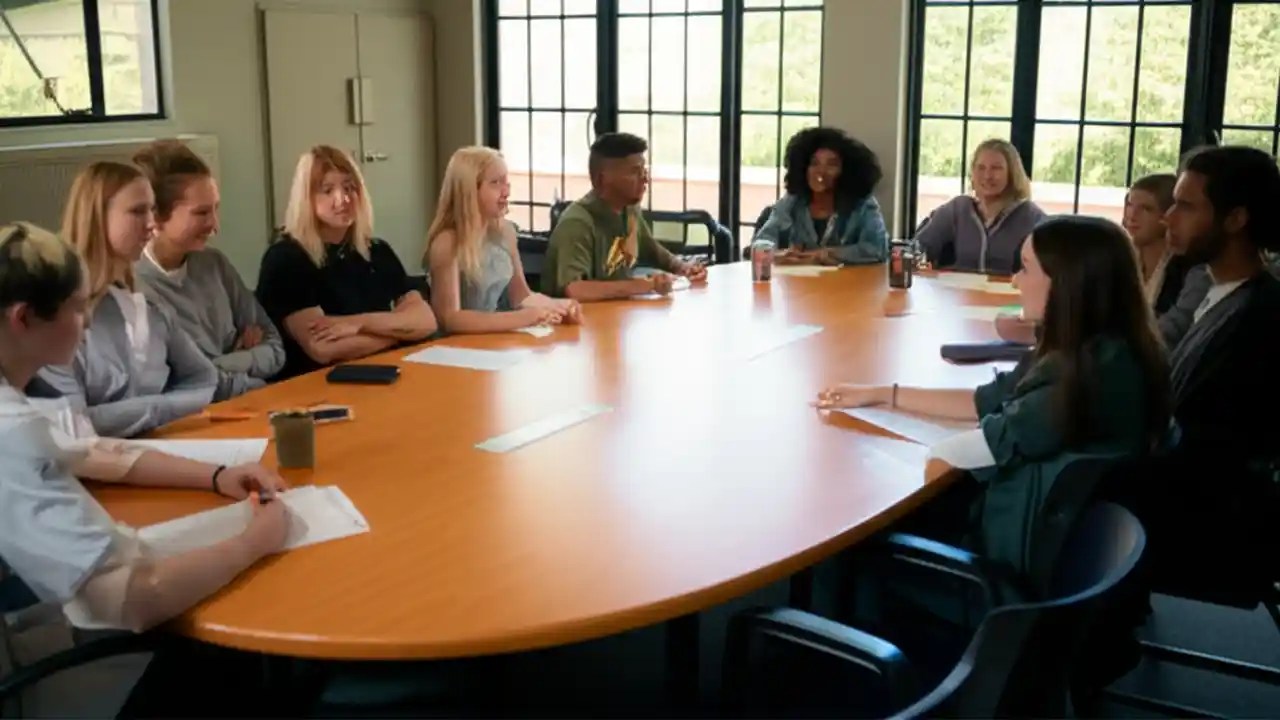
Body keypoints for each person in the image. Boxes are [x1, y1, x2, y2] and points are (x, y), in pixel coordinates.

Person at [0, 222, 289, 712]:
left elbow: (94, 453)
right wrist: (255, 542)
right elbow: (131, 600)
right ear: (24, 318)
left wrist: (217, 475)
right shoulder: (11, 435)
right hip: (57, 675)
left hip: (37, 622)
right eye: (77, 307)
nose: (87, 324)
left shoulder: (16, 405)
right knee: (256, 658)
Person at [815, 215, 1170, 579]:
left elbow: (960, 452)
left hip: (1004, 560)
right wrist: (882, 395)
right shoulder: (1110, 351)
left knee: (849, 532)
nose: (1015, 280)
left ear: (1067, 284)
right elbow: (984, 401)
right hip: (1061, 542)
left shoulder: (1076, 378)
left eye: (1026, 269)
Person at [1136, 146, 1280, 588]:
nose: (1168, 218)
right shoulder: (1224, 297)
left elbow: (1205, 446)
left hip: (1203, 530)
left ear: (1235, 219)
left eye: (1185, 206)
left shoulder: (1257, 319)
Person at [37, 162, 218, 438]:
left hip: (151, 447)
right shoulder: (54, 311)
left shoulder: (146, 302)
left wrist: (143, 411)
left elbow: (204, 378)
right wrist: (159, 408)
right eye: (137, 211)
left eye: (152, 210)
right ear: (98, 216)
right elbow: (73, 424)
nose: (152, 224)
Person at [255, 145, 437, 379]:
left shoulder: (377, 251)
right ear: (306, 198)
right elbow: (324, 349)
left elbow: (426, 321)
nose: (342, 199)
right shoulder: (286, 259)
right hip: (314, 384)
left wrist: (357, 324)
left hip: (381, 374)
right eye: (327, 190)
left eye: (350, 188)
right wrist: (401, 332)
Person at [132, 140, 285, 400]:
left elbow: (275, 350)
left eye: (216, 208)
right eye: (201, 213)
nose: (215, 225)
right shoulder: (133, 287)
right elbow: (177, 386)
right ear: (156, 217)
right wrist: (246, 359)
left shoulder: (214, 264)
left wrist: (220, 364)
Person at [424, 146, 581, 334]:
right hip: (456, 344)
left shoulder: (506, 232)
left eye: (507, 182)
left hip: (495, 338)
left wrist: (560, 307)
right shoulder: (447, 242)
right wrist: (524, 318)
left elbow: (521, 296)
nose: (506, 191)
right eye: (495, 183)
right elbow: (450, 319)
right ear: (469, 190)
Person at [542, 132, 708, 301]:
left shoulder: (630, 210)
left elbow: (652, 250)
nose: (645, 179)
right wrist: (647, 285)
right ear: (602, 180)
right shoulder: (577, 223)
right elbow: (575, 290)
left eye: (644, 170)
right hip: (577, 316)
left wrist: (683, 268)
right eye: (635, 172)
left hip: (617, 313)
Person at [752, 126, 889, 266]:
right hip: (798, 279)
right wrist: (777, 255)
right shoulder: (791, 202)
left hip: (847, 280)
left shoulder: (863, 205)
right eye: (814, 163)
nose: (821, 171)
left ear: (846, 172)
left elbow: (877, 249)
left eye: (832, 165)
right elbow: (761, 242)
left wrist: (826, 254)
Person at [915, 139, 1046, 274]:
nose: (987, 176)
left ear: (1012, 173)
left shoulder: (1031, 216)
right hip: (960, 286)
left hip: (1011, 287)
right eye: (981, 168)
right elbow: (919, 247)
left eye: (996, 168)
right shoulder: (958, 208)